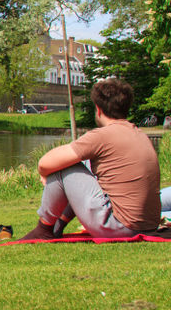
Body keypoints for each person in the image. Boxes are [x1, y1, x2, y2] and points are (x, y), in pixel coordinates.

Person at [18, 78, 160, 241]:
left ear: (98, 110)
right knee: (85, 164)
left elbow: (45, 162)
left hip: (119, 227)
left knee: (64, 167)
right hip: (148, 226)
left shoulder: (102, 136)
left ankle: (44, 228)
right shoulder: (140, 135)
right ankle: (59, 224)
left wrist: (44, 174)